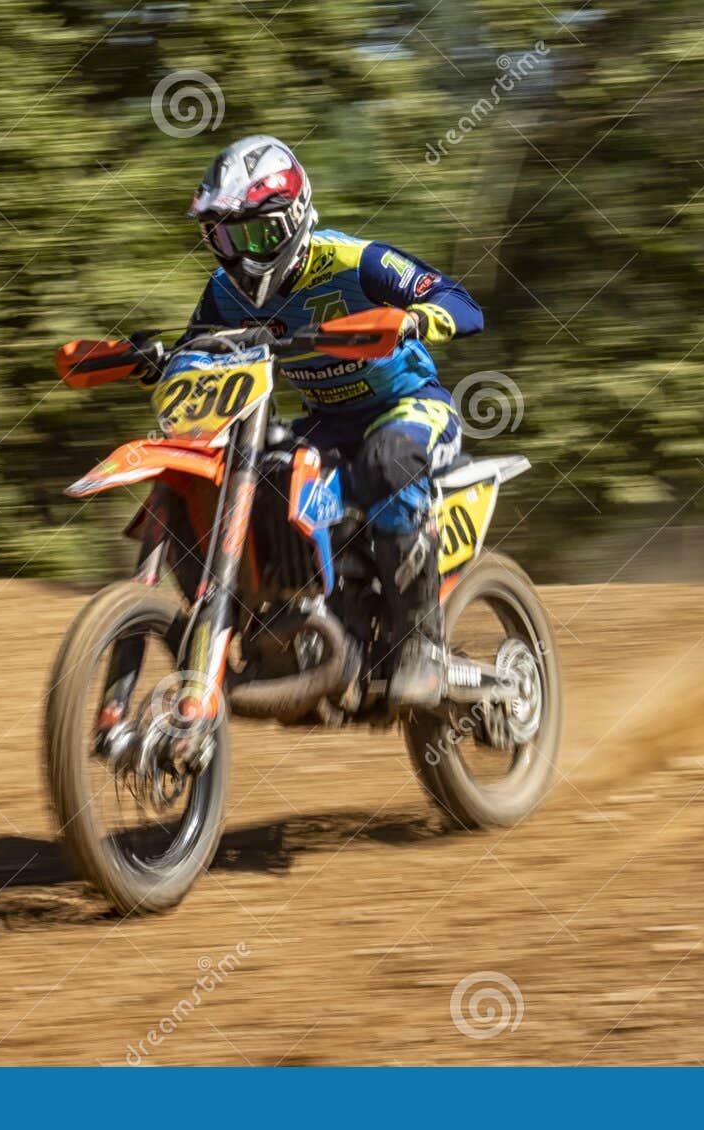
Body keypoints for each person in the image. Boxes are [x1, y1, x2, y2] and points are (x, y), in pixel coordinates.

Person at [184, 134, 484, 710]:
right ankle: (294, 622)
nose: (242, 255)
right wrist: (157, 359)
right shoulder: (224, 291)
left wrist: (417, 319)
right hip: (327, 421)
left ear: (293, 219)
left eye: (257, 235)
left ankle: (423, 645)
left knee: (387, 460)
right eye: (225, 237)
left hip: (409, 406)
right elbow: (195, 349)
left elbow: (462, 302)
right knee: (267, 473)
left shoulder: (354, 261)